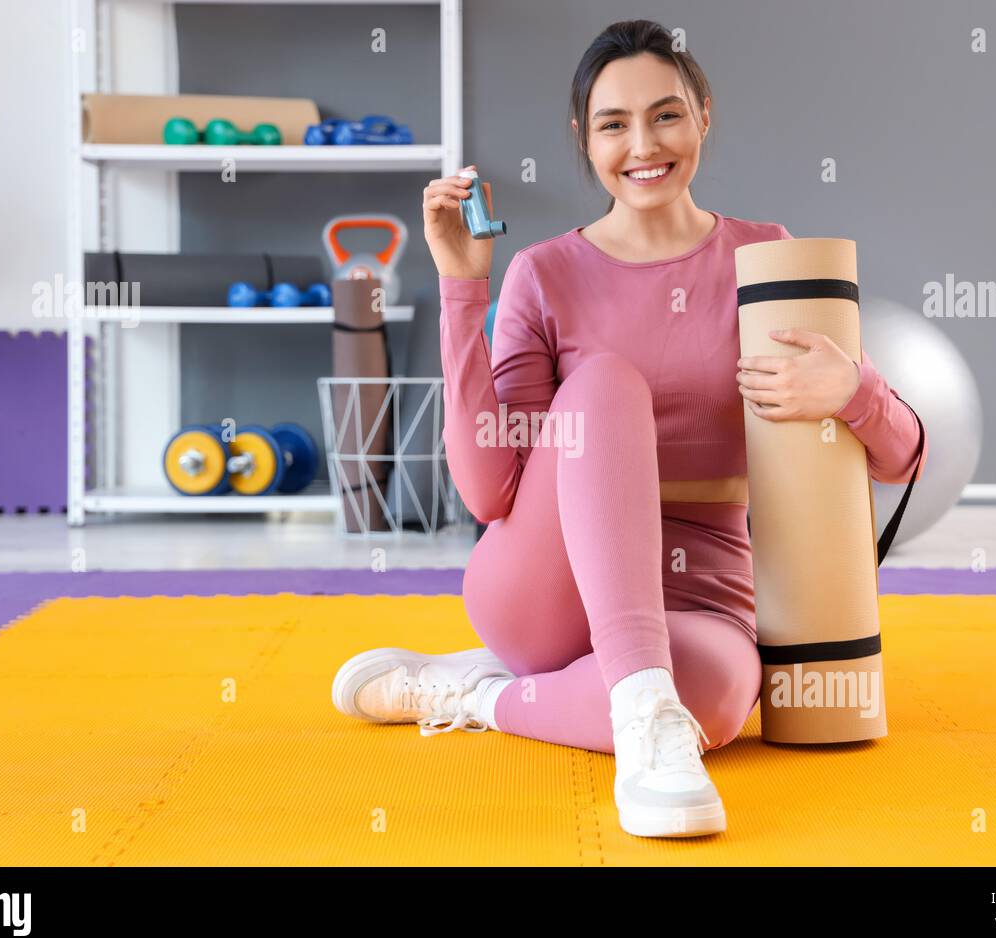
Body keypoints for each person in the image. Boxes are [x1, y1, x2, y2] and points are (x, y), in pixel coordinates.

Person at [332, 19, 926, 839]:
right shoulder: (544, 272)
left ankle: (477, 694)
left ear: (704, 116)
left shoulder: (766, 255)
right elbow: (485, 489)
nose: (643, 144)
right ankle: (642, 714)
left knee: (717, 699)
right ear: (584, 136)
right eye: (614, 123)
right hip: (548, 588)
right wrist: (465, 290)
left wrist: (852, 387)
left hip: (704, 589)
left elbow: (902, 457)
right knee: (607, 386)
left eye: (666, 114)